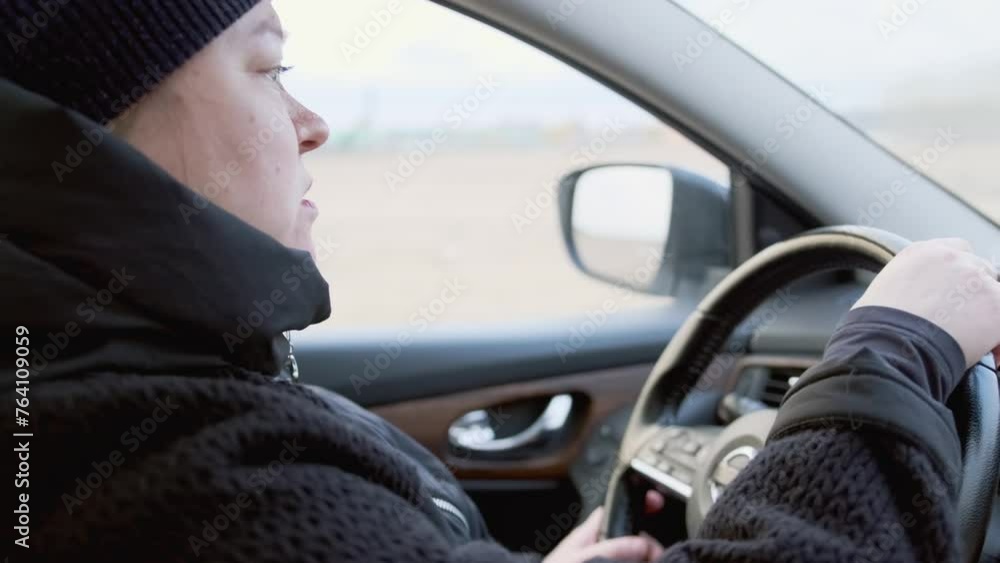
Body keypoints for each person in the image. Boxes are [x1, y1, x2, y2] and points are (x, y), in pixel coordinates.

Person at [1, 1, 998, 561]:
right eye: (266, 69)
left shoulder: (100, 391)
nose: (311, 124)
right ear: (95, 135)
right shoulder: (180, 464)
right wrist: (891, 357)